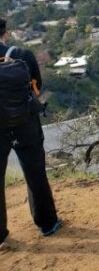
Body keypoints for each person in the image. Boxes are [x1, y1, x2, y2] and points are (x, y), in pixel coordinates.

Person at [0, 18, 61, 250]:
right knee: (35, 172)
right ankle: (48, 223)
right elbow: (37, 88)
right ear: (5, 33)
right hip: (26, 122)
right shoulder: (23, 54)